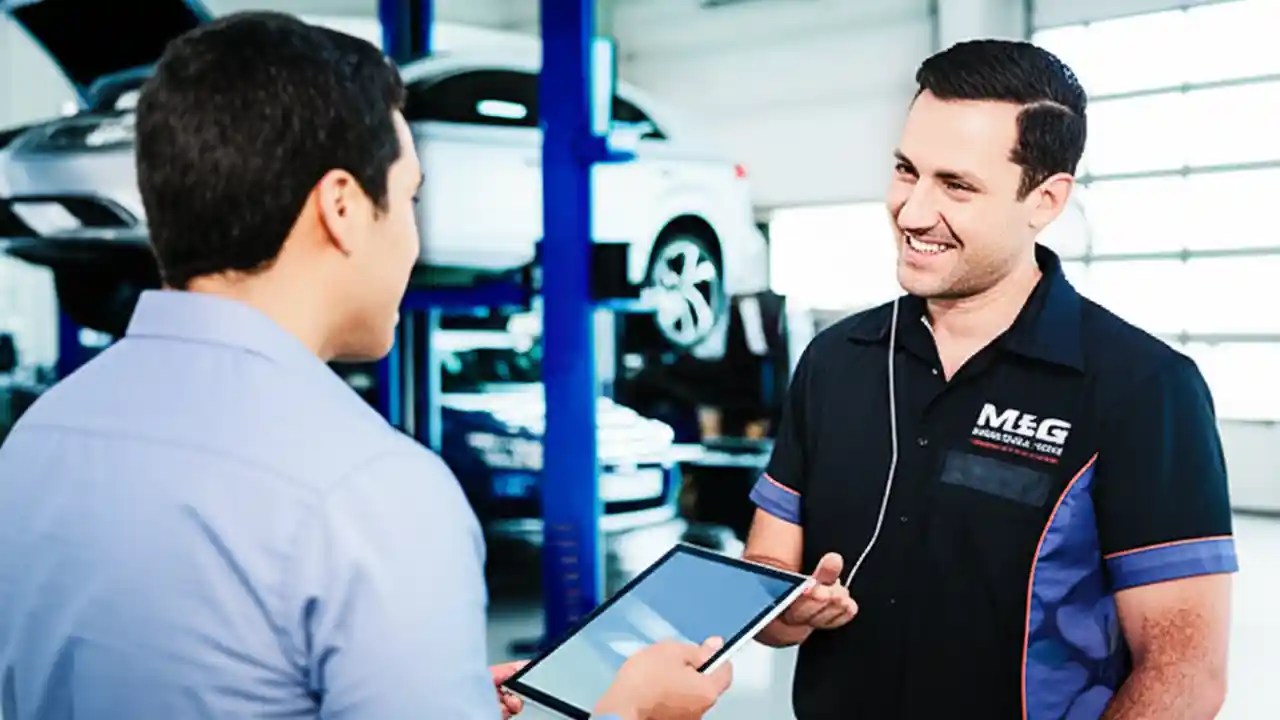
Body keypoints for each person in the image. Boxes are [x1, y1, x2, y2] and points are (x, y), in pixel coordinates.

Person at [0, 12, 732, 720]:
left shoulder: (40, 438)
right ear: (342, 207)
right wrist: (632, 711)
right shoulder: (373, 491)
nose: (412, 238)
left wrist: (409, 679)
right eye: (411, 196)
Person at [743, 39, 1237, 719]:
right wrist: (789, 609)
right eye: (906, 170)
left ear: (1045, 199)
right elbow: (766, 582)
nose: (913, 212)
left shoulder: (1143, 388)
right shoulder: (834, 362)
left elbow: (1184, 672)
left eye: (957, 185)